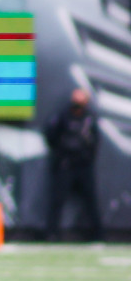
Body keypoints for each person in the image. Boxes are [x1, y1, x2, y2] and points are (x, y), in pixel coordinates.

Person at [44, 88, 104, 242]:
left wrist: (87, 156)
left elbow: (95, 141)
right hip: (66, 164)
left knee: (90, 201)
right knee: (57, 200)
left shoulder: (90, 118)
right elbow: (52, 136)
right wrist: (62, 154)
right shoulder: (63, 116)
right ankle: (52, 233)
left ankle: (97, 234)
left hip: (83, 165)